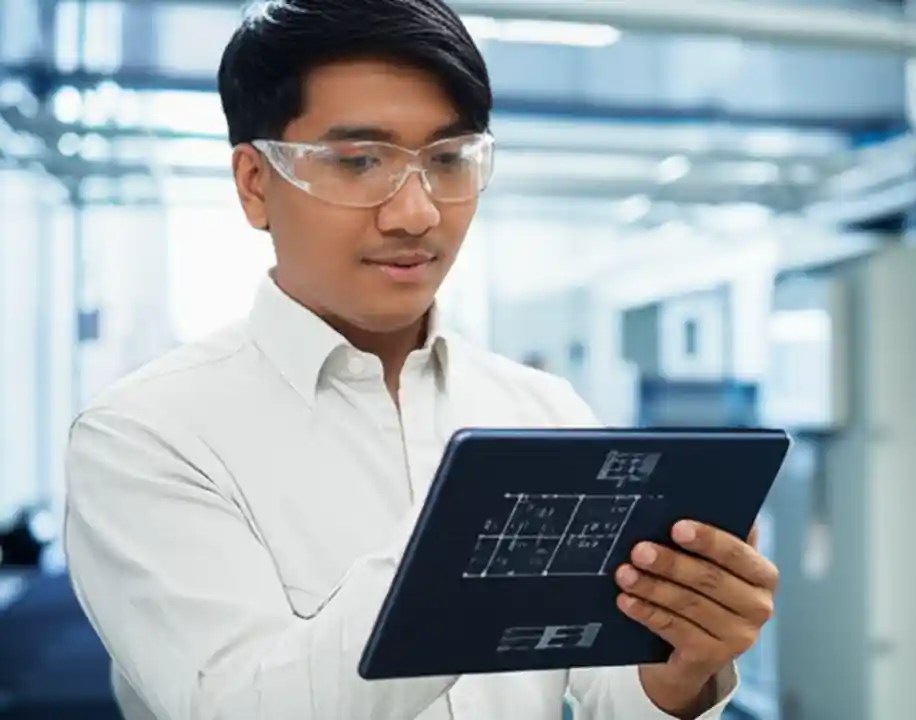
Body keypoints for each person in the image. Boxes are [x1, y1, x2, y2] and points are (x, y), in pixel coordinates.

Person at [61, 1, 778, 718]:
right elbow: (241, 706)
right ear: (254, 183)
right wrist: (463, 540)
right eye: (359, 162)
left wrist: (681, 666)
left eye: (448, 159)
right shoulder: (147, 435)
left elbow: (604, 694)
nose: (417, 213)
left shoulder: (544, 412)